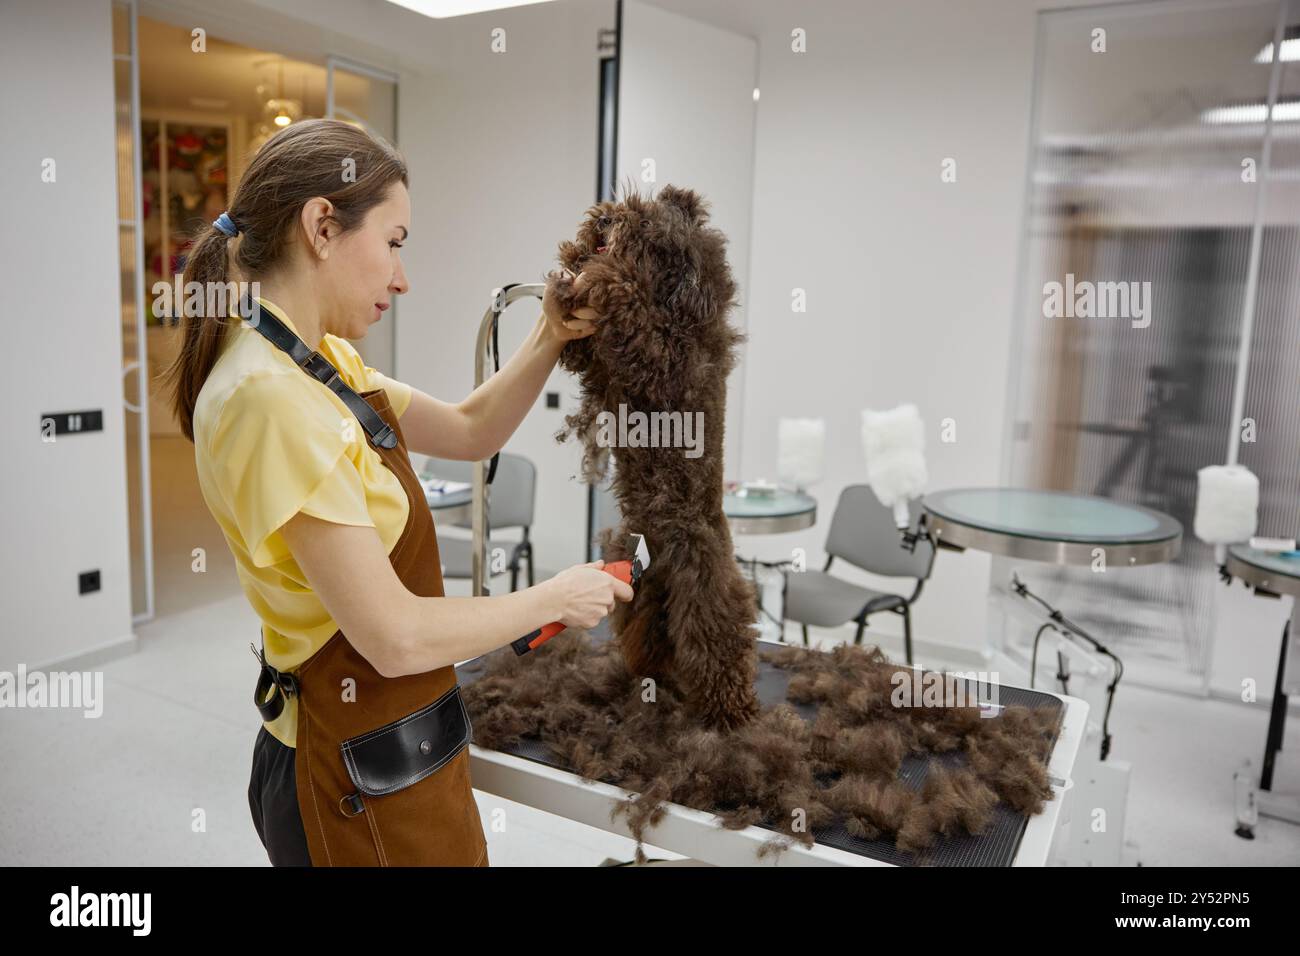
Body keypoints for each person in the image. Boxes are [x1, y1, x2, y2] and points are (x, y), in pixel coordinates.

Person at [162, 118, 633, 866]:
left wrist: (549, 335)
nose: (402, 276)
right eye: (394, 243)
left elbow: (473, 429)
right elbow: (393, 636)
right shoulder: (268, 397)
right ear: (322, 226)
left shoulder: (322, 364)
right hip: (348, 772)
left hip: (396, 749)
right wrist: (555, 598)